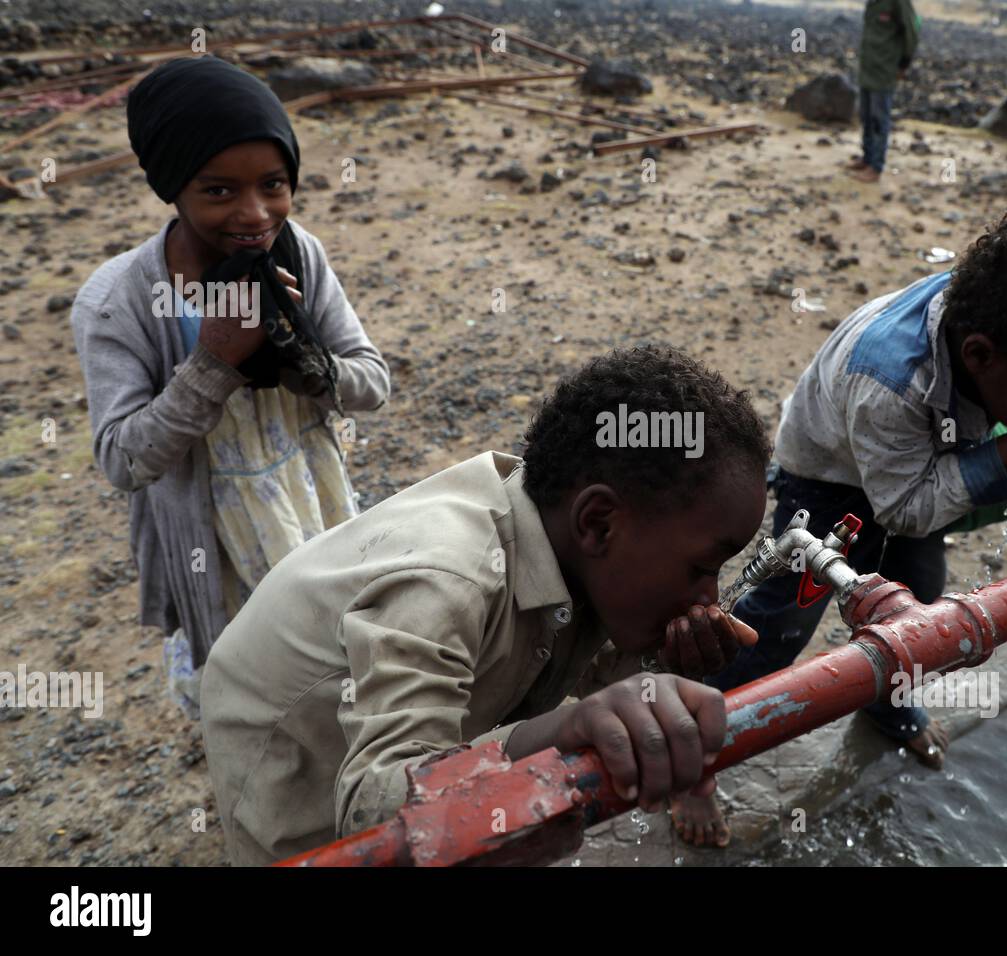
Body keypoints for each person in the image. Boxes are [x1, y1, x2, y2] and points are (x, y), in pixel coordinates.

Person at [671, 201, 1007, 846]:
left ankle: (888, 704)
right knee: (778, 626)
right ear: (981, 356)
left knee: (916, 596)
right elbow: (904, 506)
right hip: (836, 481)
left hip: (919, 453)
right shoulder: (891, 382)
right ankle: (695, 757)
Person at [200, 346, 772, 864]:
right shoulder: (449, 583)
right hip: (298, 764)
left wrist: (657, 665)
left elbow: (597, 674)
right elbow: (373, 804)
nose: (708, 596)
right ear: (598, 522)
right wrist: (558, 732)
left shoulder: (580, 549)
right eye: (701, 568)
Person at [71, 56, 390, 718]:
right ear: (171, 187)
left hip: (312, 509)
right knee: (248, 701)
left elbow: (372, 383)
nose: (254, 214)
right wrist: (213, 360)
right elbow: (124, 459)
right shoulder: (118, 301)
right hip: (210, 551)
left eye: (274, 184)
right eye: (218, 191)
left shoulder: (297, 251)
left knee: (338, 670)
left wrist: (303, 354)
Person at [849, 0, 921, 183]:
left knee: (879, 119)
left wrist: (903, 64)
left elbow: (912, 30)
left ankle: (876, 166)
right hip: (868, 68)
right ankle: (867, 157)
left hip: (885, 69)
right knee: (865, 115)